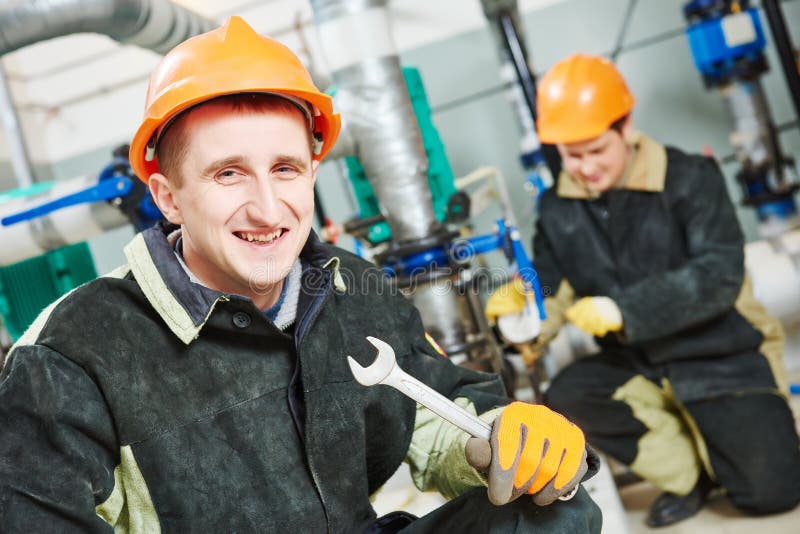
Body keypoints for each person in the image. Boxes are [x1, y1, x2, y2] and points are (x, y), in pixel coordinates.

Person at [0, 18, 603, 533]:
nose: (268, 209)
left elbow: (429, 408)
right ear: (168, 198)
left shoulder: (347, 289)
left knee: (555, 515)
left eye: (285, 168)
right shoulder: (71, 353)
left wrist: (497, 437)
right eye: (228, 174)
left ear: (313, 174)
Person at [515, 53, 800, 527]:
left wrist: (623, 311)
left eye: (594, 151)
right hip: (638, 362)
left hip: (719, 353)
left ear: (625, 126)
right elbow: (552, 281)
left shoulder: (690, 178)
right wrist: (524, 308)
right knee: (567, 394)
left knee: (772, 493)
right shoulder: (557, 206)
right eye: (571, 155)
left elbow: (718, 275)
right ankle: (690, 475)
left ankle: (725, 445)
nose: (583, 168)